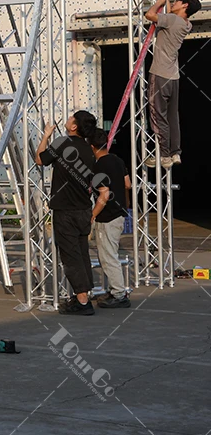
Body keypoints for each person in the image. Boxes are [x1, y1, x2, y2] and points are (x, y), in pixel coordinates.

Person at [35, 110, 97, 315]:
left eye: (71, 118)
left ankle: (82, 301)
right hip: (83, 208)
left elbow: (41, 159)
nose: (68, 119)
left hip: (66, 210)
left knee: (71, 256)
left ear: (74, 126)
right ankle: (85, 293)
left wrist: (45, 135)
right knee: (82, 253)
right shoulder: (88, 150)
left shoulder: (63, 143)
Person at [145, 0, 201, 168]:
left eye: (177, 1)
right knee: (172, 117)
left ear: (185, 5)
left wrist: (159, 1)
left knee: (158, 116)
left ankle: (164, 155)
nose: (174, 4)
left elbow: (150, 15)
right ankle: (175, 152)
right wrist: (167, 1)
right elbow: (170, 15)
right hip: (173, 77)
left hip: (160, 74)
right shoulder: (186, 24)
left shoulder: (172, 20)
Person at [89, 129, 132, 309]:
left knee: (108, 256)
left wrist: (93, 214)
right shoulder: (118, 160)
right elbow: (128, 184)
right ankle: (115, 290)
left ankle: (119, 293)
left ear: (92, 147)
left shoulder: (98, 166)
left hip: (107, 217)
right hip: (119, 214)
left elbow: (103, 195)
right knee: (109, 254)